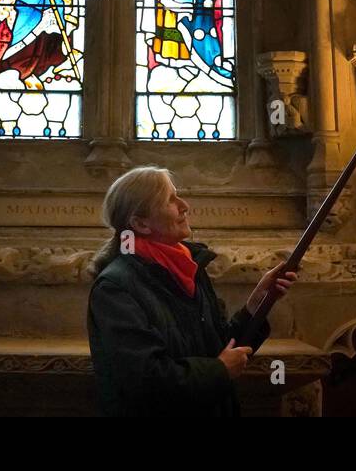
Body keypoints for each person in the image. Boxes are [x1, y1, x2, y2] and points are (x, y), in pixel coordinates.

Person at [87, 165, 296, 416]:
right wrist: (219, 370)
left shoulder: (189, 267)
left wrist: (256, 306)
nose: (184, 205)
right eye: (170, 200)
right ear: (141, 223)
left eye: (178, 195)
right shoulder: (115, 288)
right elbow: (147, 379)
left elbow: (219, 347)